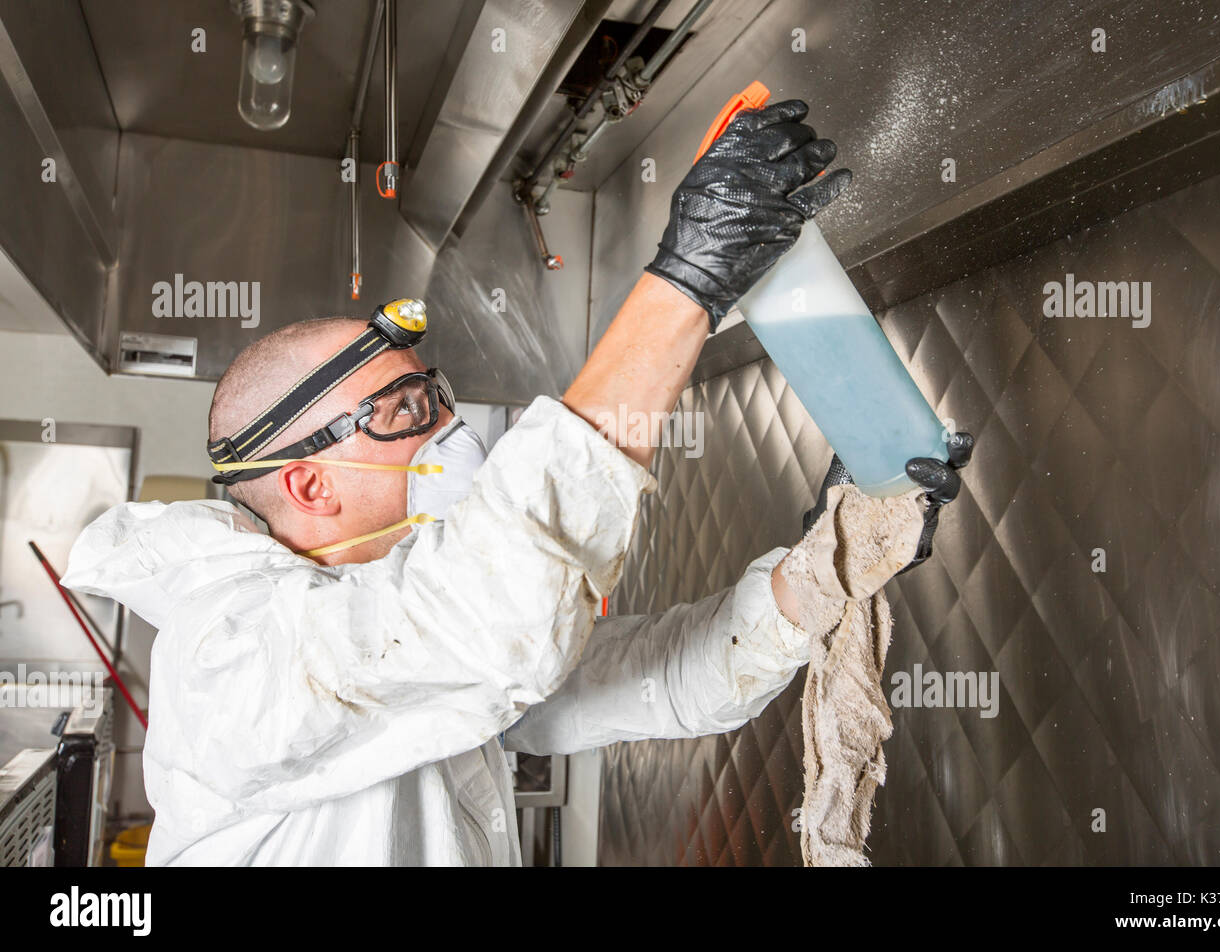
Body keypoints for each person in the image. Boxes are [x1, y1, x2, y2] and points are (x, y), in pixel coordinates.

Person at [62, 100, 967, 865]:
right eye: (404, 412)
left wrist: (828, 560)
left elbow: (664, 678)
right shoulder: (232, 652)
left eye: (434, 396)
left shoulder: (400, 623)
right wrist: (688, 282)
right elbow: (488, 616)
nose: (447, 430)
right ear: (308, 486)